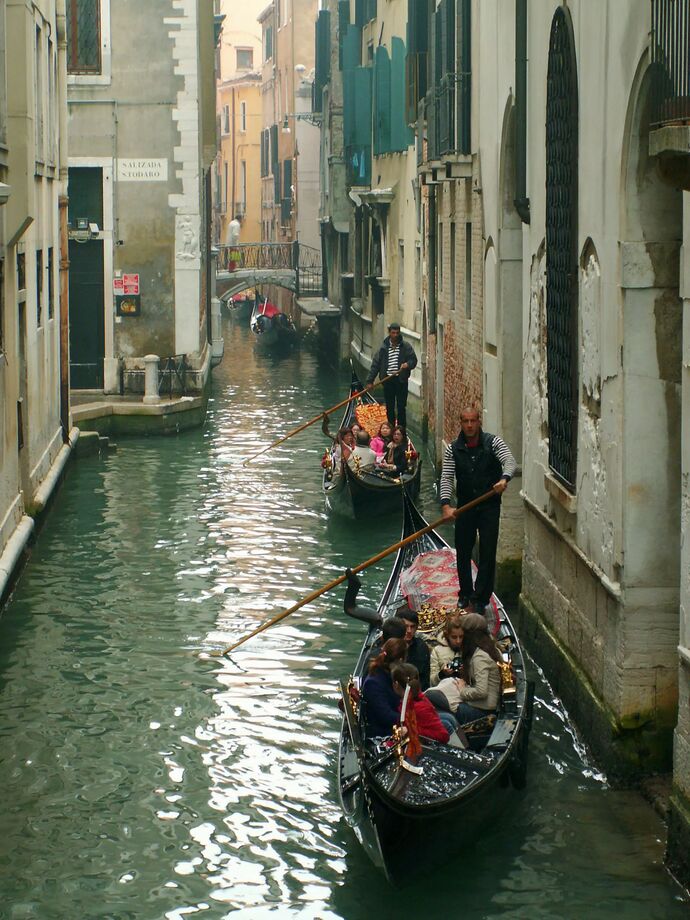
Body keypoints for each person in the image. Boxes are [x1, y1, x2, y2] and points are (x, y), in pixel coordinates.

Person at [440, 407, 517, 612]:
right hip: (465, 506)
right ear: (461, 423)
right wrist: (446, 505)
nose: (469, 425)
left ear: (478, 421)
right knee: (463, 551)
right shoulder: (453, 449)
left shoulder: (494, 442)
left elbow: (510, 461)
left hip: (489, 506)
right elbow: (446, 477)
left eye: (473, 421)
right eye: (465, 421)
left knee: (488, 552)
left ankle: (481, 598)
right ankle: (465, 594)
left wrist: (504, 478)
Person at [452, 612, 503, 725]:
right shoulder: (492, 648)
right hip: (490, 706)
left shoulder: (480, 656)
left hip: (483, 711)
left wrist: (462, 691)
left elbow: (481, 691)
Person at [366, 323, 418, 428]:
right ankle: (391, 429)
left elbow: (413, 360)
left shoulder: (406, 346)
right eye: (393, 333)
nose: (395, 335)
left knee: (401, 407)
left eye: (397, 333)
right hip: (388, 380)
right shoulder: (383, 348)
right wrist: (369, 381)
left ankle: (401, 430)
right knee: (389, 407)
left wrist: (407, 364)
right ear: (389, 332)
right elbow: (375, 365)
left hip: (401, 380)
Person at [391, 663, 450, 743]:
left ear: (396, 684)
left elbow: (443, 736)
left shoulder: (420, 706)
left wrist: (410, 731)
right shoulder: (407, 702)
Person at [361, 638, 408, 737]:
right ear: (401, 660)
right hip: (383, 732)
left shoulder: (390, 674)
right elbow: (386, 716)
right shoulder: (373, 683)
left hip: (397, 721)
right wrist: (411, 719)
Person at [394, 605, 430, 690]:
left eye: (412, 627)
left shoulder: (422, 647)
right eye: (406, 626)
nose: (409, 631)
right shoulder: (391, 647)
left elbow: (425, 679)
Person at [429, 615, 465, 687]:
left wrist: (465, 672)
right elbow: (432, 681)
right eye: (454, 637)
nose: (458, 641)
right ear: (447, 635)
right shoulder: (437, 651)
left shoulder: (468, 648)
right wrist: (442, 674)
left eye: (461, 637)